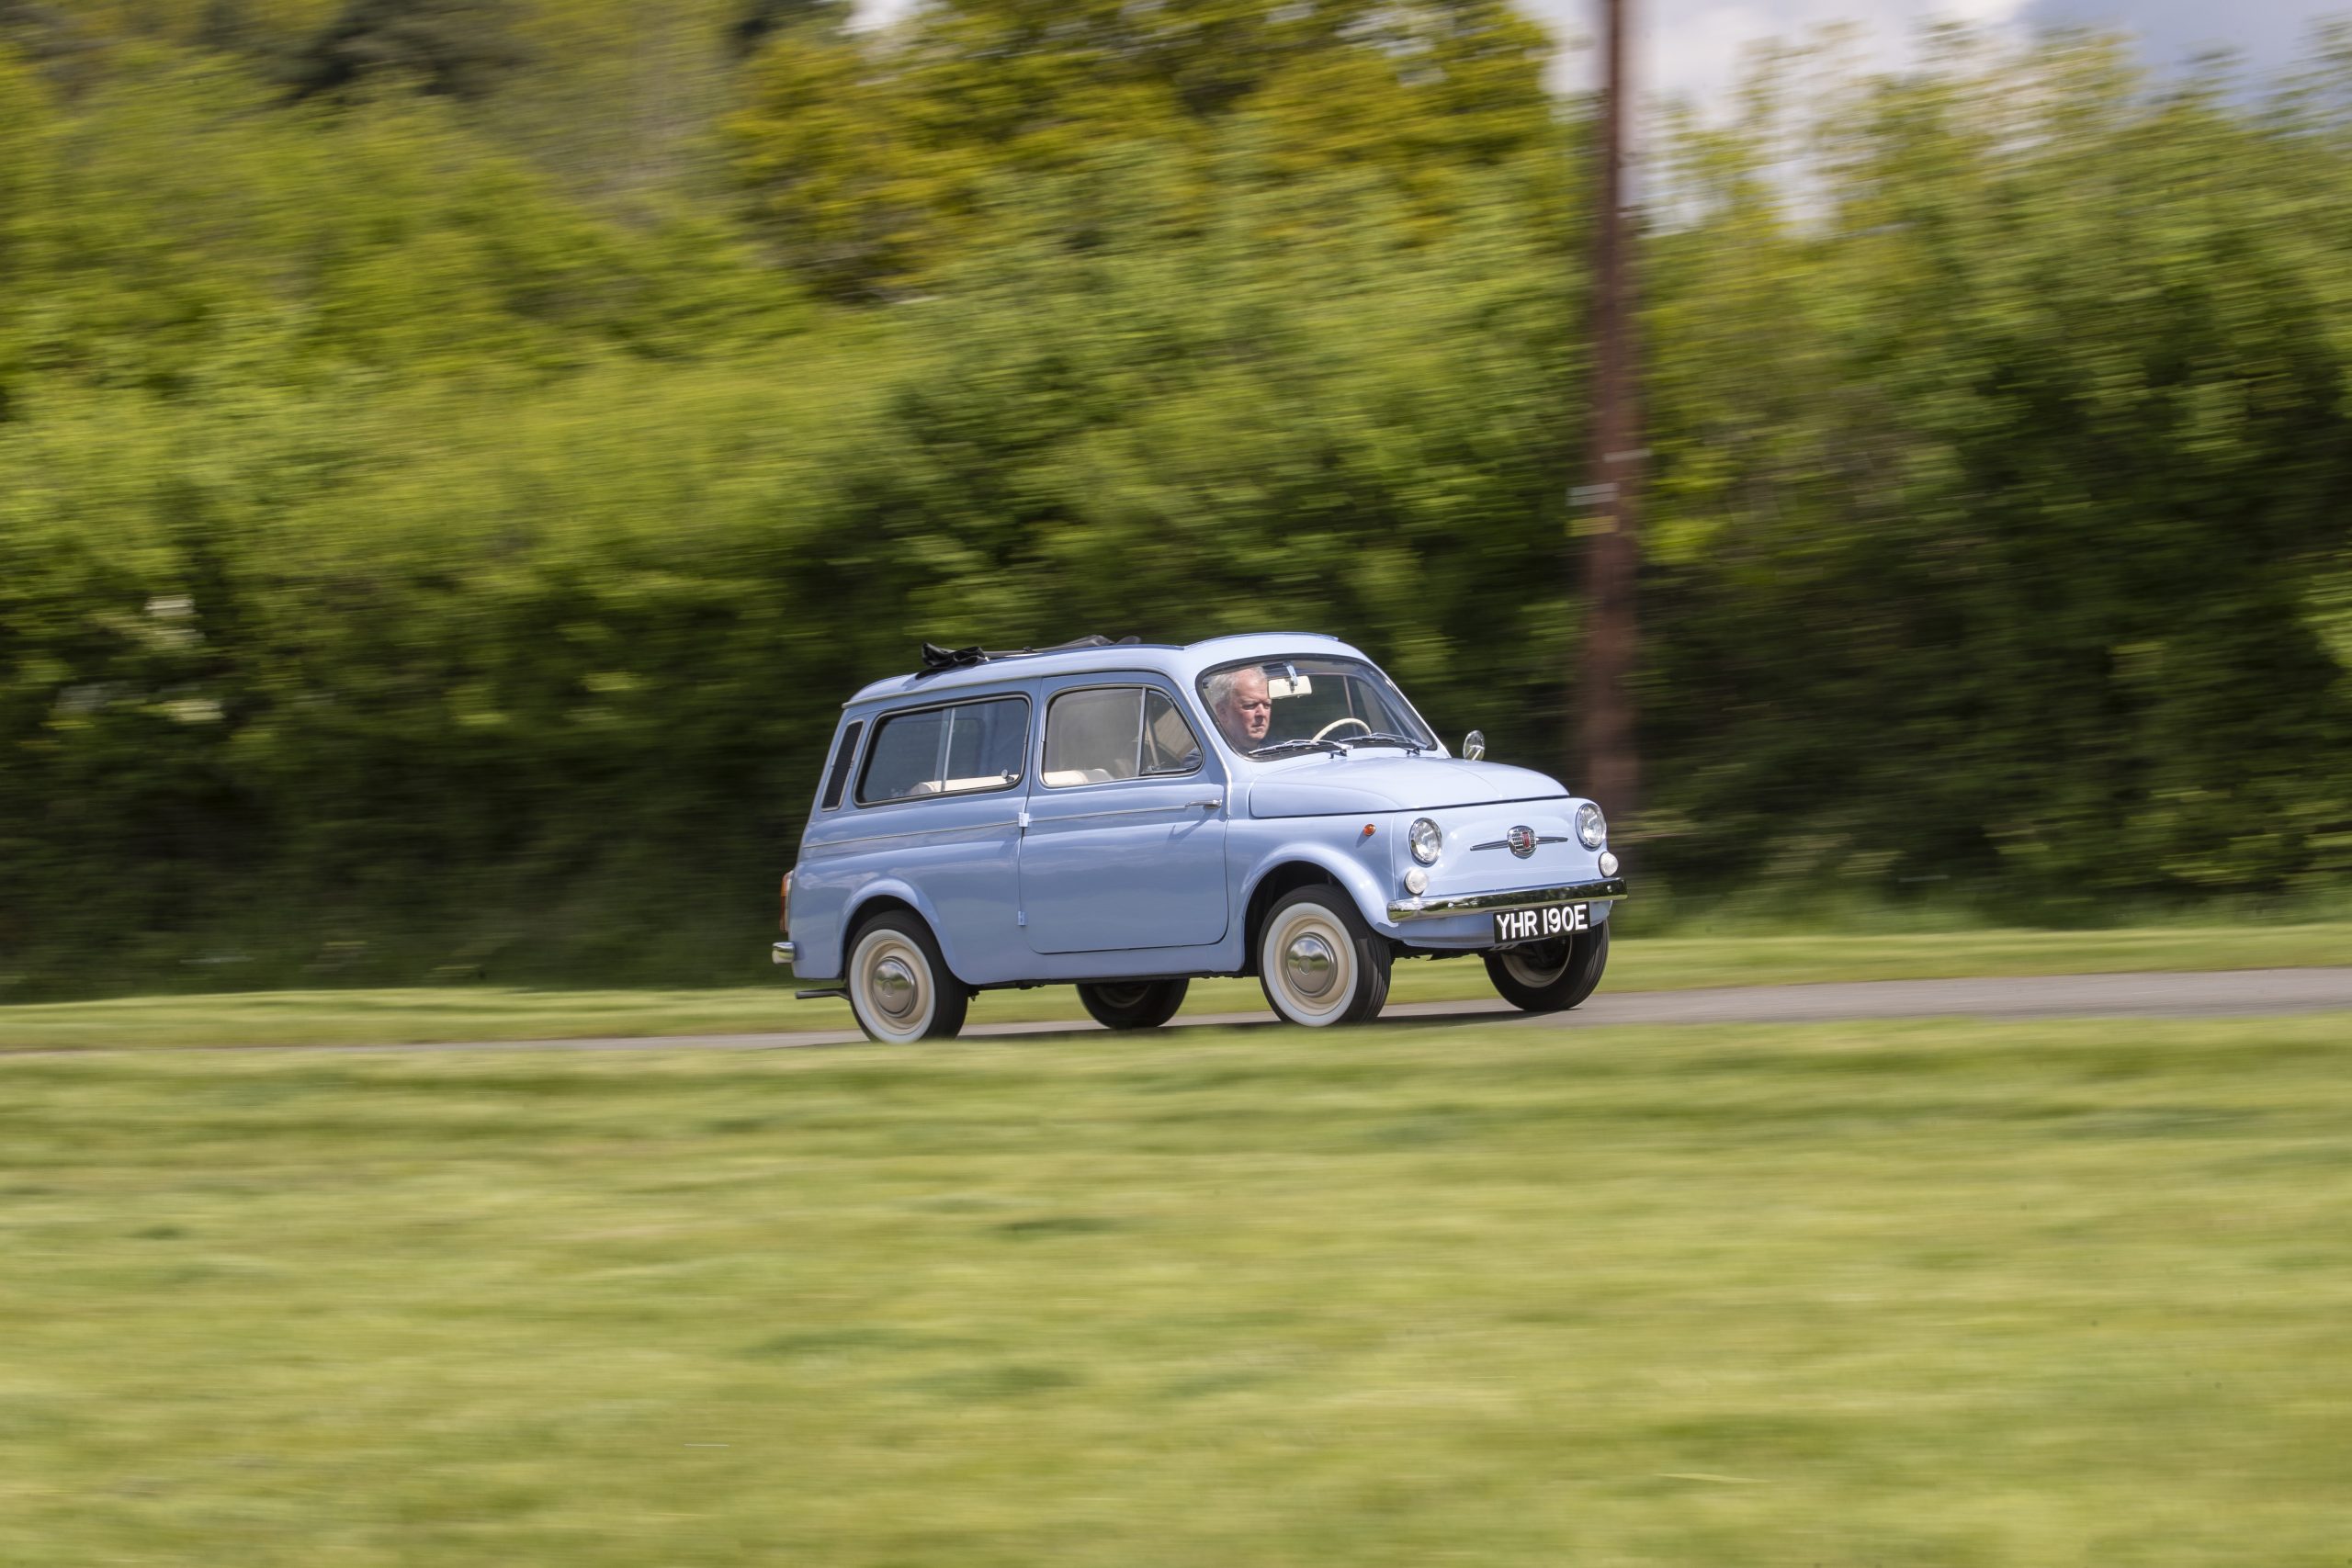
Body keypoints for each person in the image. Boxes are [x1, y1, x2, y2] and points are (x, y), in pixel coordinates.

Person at [1205, 665, 1273, 750]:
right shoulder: (1208, 759)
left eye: (1267, 705)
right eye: (1250, 705)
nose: (1262, 713)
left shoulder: (1282, 750)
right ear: (1222, 712)